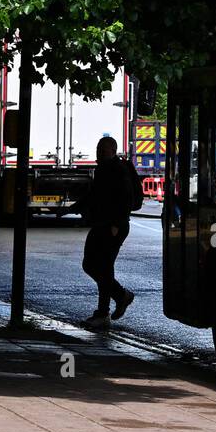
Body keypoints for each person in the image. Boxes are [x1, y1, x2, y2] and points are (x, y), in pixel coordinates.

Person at [74, 136, 135, 329]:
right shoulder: (103, 169)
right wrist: (72, 208)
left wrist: (116, 224)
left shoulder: (117, 169)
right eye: (98, 148)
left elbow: (126, 196)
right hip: (102, 224)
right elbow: (94, 195)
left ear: (112, 151)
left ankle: (103, 312)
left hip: (112, 226)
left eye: (103, 149)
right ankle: (120, 296)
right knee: (91, 265)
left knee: (103, 266)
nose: (99, 152)